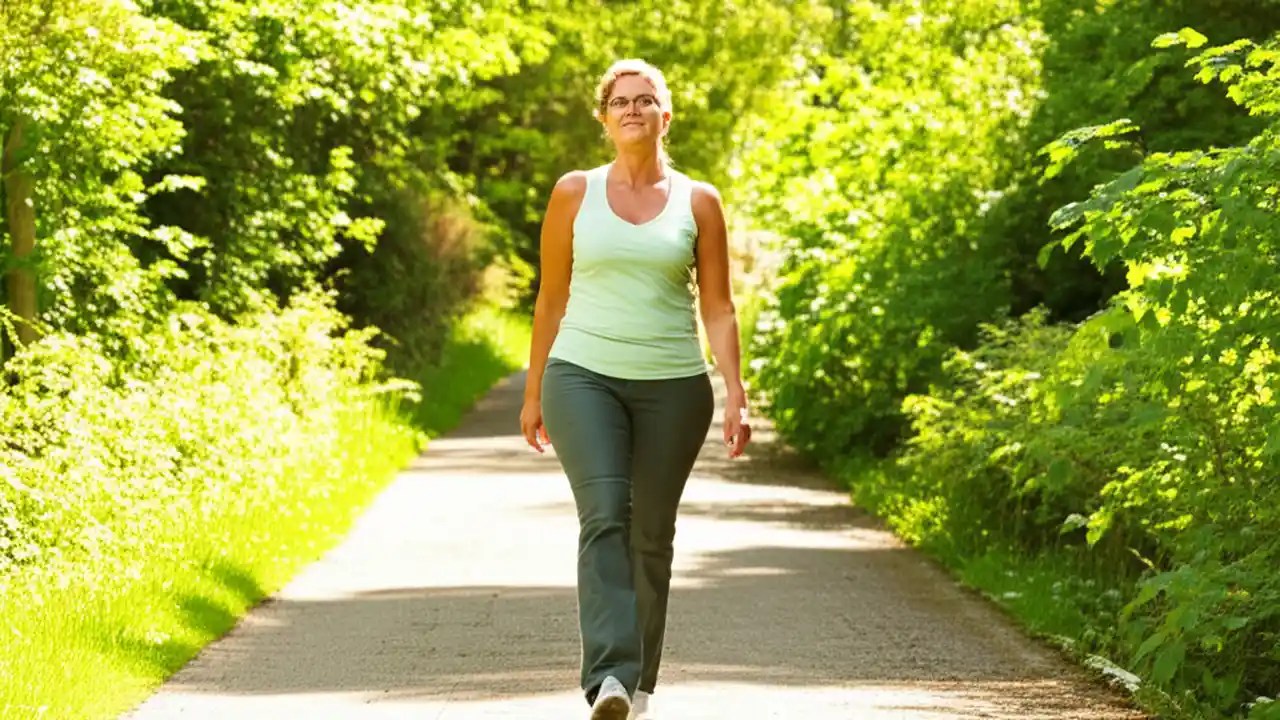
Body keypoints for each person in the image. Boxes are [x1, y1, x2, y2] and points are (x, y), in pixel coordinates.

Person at [519, 58, 752, 720]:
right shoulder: (574, 193)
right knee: (604, 516)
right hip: (581, 376)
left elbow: (718, 307)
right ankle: (610, 679)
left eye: (645, 99)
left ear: (664, 117)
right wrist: (534, 392)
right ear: (603, 117)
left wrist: (736, 391)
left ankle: (637, 685)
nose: (632, 109)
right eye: (620, 101)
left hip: (674, 385)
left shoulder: (699, 201)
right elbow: (551, 297)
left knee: (651, 533)